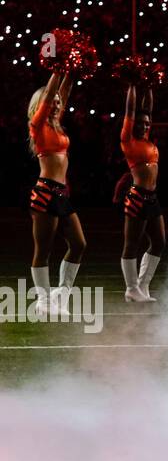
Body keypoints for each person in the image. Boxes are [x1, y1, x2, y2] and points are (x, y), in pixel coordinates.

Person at [28, 70, 85, 318]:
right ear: (42, 104)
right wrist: (57, 67)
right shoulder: (38, 125)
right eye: (53, 102)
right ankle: (43, 301)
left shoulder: (56, 124)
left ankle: (60, 298)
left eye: (59, 103)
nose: (58, 104)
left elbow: (63, 91)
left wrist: (72, 70)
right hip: (44, 193)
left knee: (79, 244)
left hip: (62, 194)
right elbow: (52, 92)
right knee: (44, 249)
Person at [120, 83, 164, 302]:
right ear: (133, 125)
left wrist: (149, 82)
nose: (145, 125)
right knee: (132, 244)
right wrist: (133, 83)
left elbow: (149, 107)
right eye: (141, 123)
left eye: (147, 123)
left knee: (159, 242)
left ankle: (143, 286)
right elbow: (130, 110)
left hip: (153, 199)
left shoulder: (147, 140)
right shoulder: (128, 140)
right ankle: (131, 288)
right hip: (137, 197)